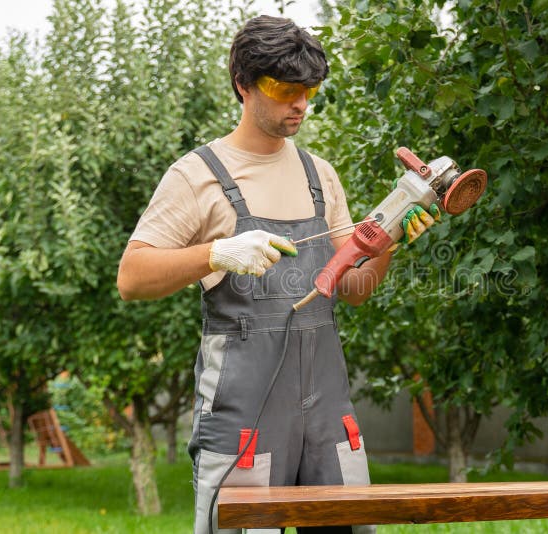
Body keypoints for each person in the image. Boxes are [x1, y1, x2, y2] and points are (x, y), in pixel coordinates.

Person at [117, 15, 437, 534]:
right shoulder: (197, 176)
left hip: (329, 414)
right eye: (287, 90)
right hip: (242, 419)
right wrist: (217, 253)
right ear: (243, 85)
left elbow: (352, 290)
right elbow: (131, 277)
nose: (302, 105)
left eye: (309, 91)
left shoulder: (320, 175)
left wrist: (387, 241)